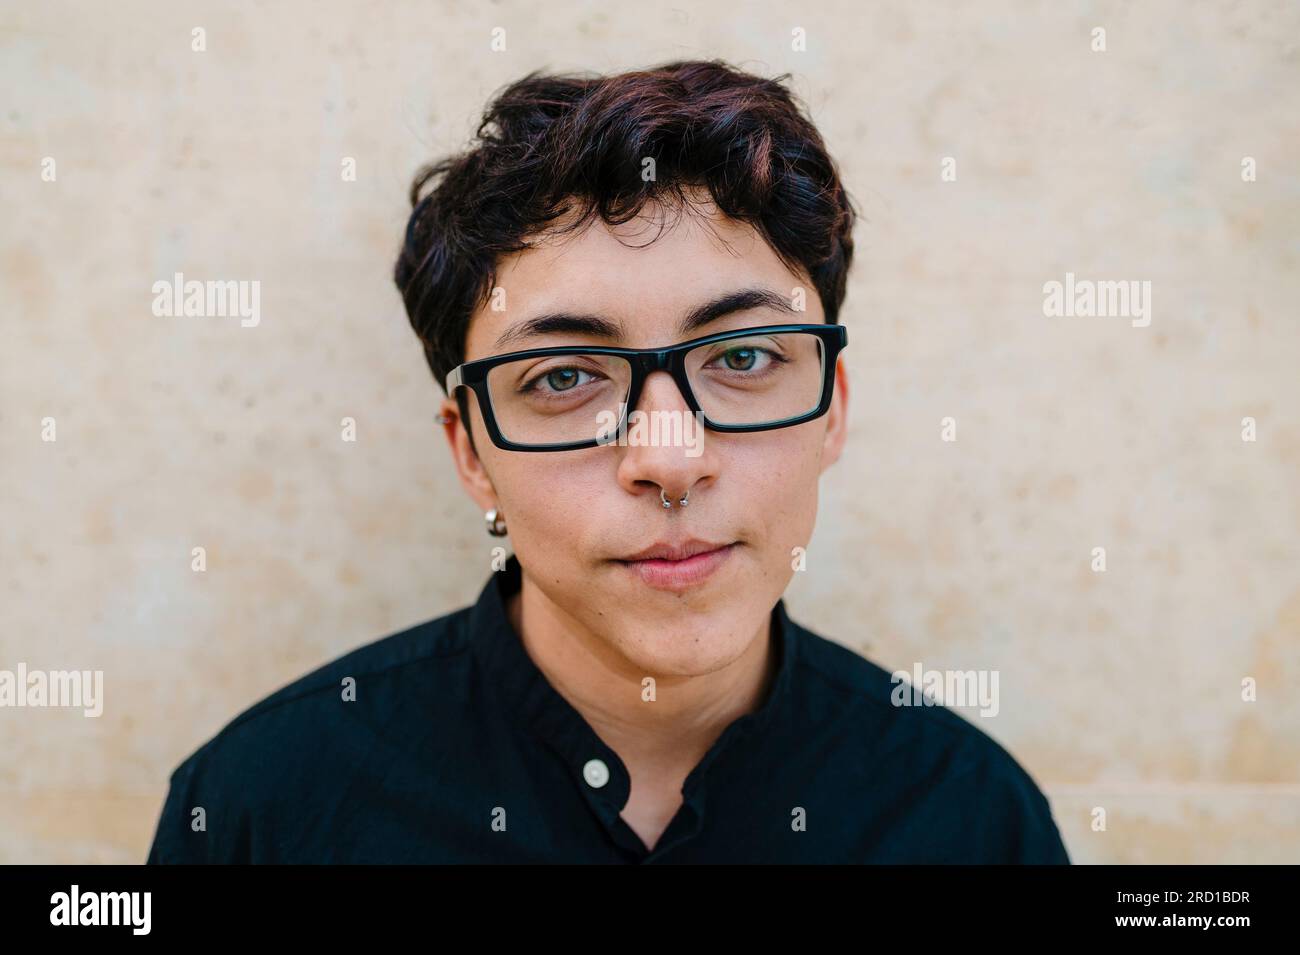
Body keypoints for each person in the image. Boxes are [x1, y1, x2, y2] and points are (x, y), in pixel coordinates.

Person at [147, 59, 1069, 863]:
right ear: (471, 452)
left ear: (832, 410)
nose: (670, 460)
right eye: (564, 376)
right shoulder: (259, 812)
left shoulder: (972, 817)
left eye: (743, 358)